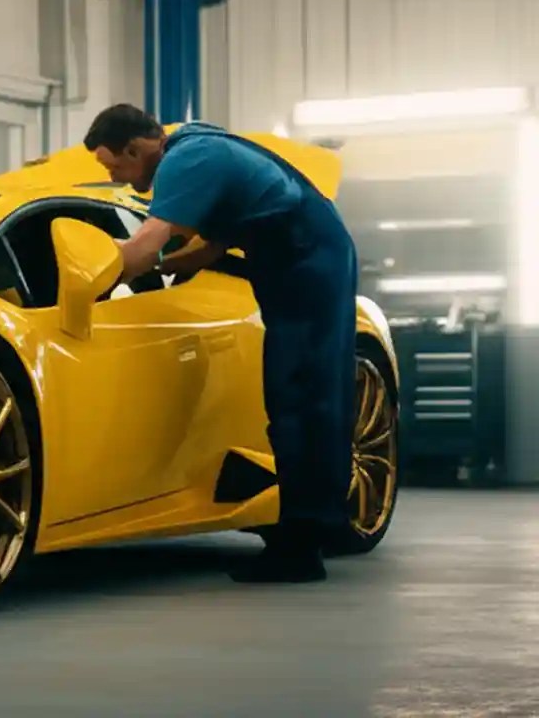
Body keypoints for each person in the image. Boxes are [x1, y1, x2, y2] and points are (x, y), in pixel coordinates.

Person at [83, 104, 359, 583]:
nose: (119, 179)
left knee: (299, 397)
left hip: (305, 259)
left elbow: (147, 243)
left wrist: (89, 284)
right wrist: (181, 263)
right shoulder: (201, 147)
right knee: (314, 395)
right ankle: (320, 527)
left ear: (136, 148)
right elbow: (215, 239)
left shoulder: (186, 161)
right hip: (306, 253)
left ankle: (300, 547)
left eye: (115, 166)